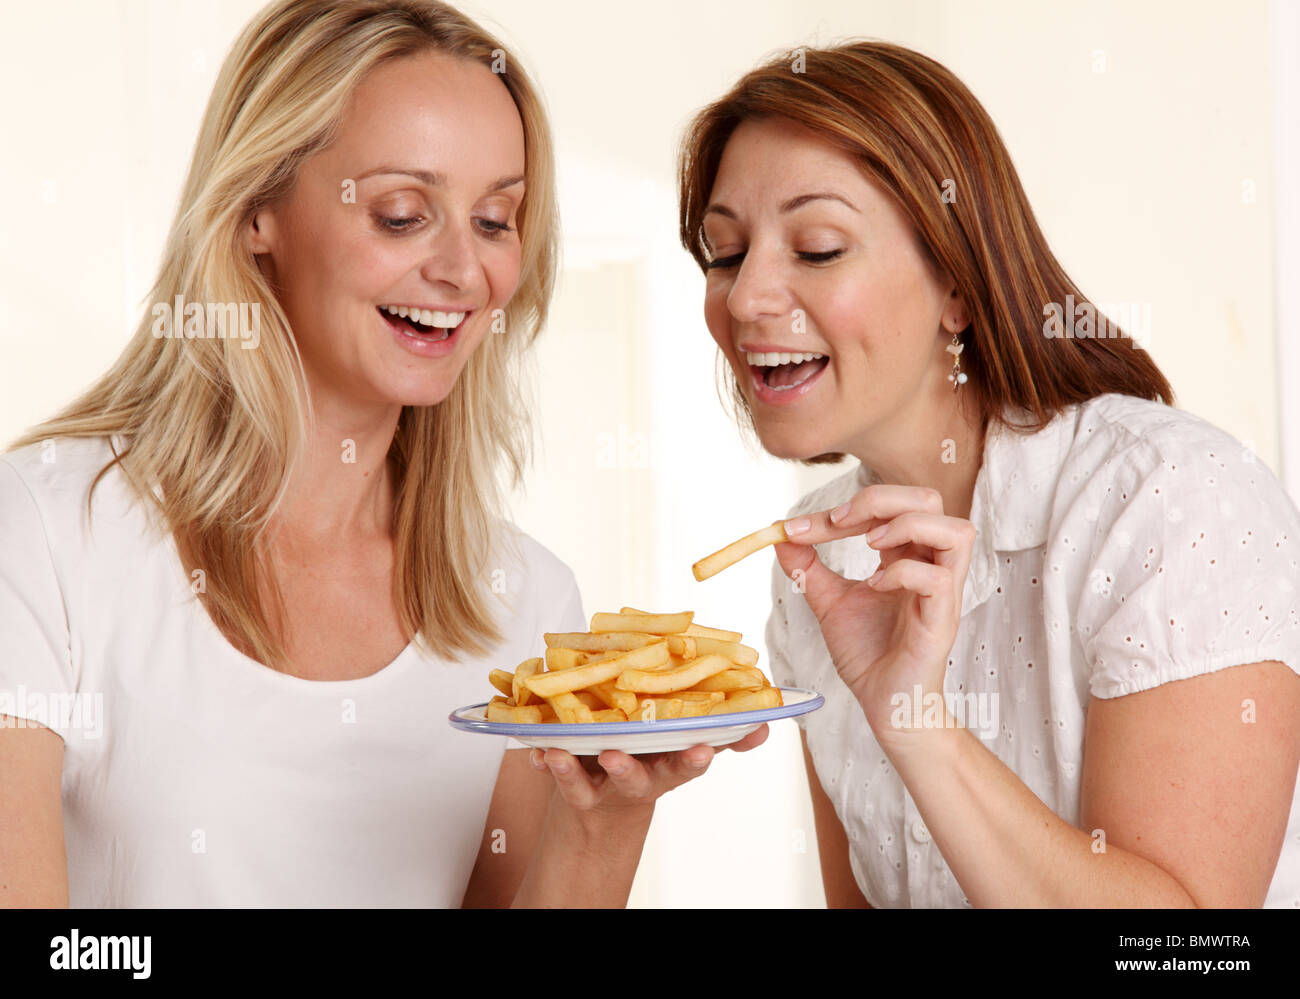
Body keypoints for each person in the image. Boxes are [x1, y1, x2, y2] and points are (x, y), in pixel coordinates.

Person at [0, 0, 765, 909]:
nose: (462, 269)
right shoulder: (46, 528)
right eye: (403, 214)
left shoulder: (522, 601)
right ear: (256, 214)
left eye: (495, 220)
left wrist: (605, 821)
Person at [676, 39, 1300, 907]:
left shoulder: (1172, 499)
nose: (744, 299)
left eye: (817, 248)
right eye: (724, 252)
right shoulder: (813, 579)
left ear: (959, 288)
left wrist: (917, 728)